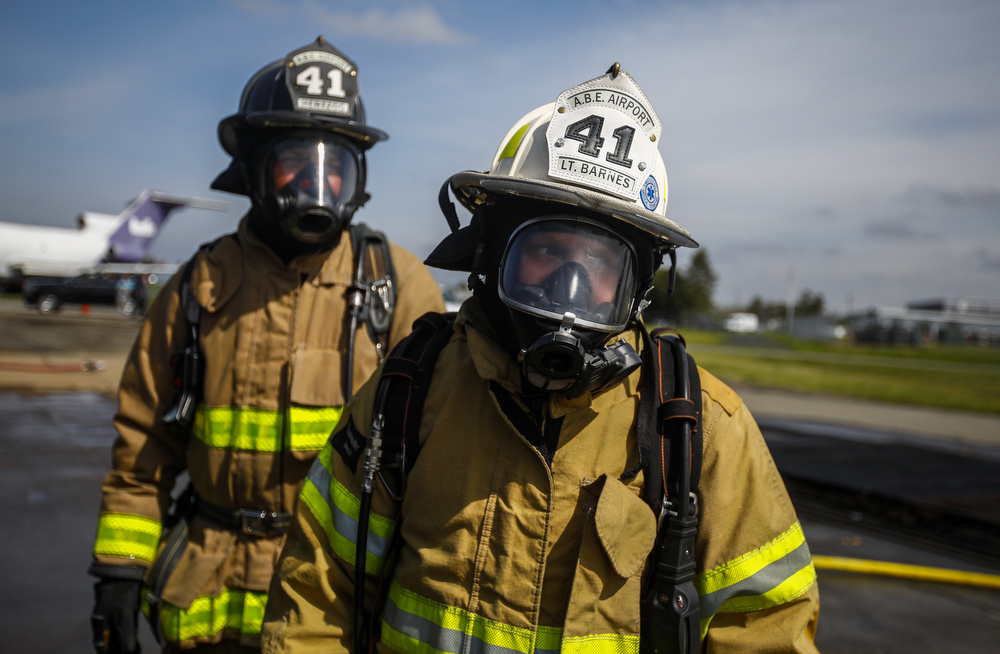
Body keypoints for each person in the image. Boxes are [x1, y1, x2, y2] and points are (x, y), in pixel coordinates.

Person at [262, 64, 820, 653]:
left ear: (637, 288)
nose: (569, 288)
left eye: (600, 265)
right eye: (547, 250)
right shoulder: (413, 388)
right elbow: (316, 592)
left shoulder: (700, 432)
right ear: (492, 252)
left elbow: (767, 630)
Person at [88, 37, 445, 653]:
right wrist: (119, 570)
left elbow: (435, 474)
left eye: (336, 166)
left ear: (358, 179)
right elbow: (143, 445)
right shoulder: (199, 287)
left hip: (331, 605)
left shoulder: (402, 288)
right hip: (206, 599)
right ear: (254, 169)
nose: (318, 182)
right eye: (295, 163)